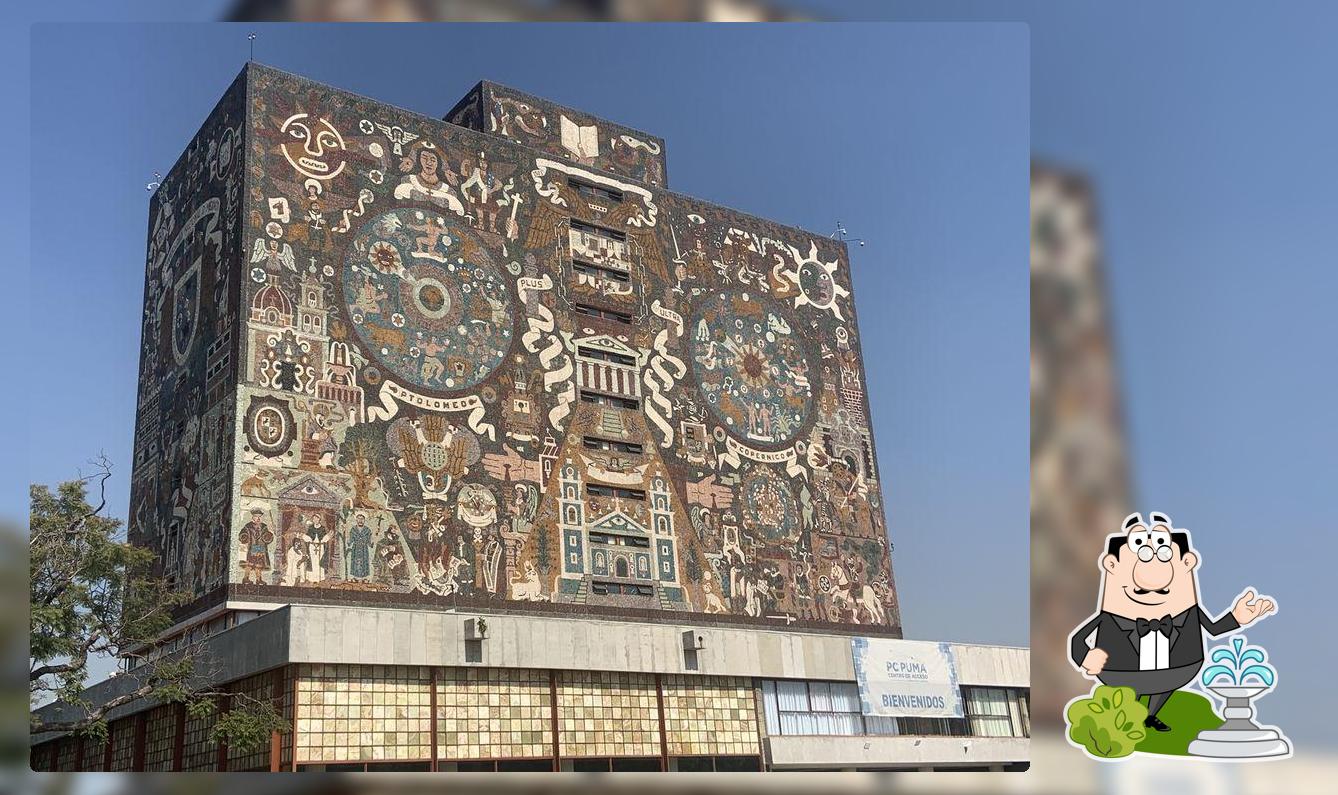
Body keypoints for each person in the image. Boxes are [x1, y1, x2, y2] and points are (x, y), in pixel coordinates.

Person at [1069, 512, 1277, 732]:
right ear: (1112, 565)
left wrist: (1237, 618)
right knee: (1131, 694)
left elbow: (1214, 629)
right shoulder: (1109, 618)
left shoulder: (1189, 612)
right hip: (1122, 671)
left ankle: (1149, 716)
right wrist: (1084, 656)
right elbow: (1078, 639)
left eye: (1164, 553)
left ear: (1187, 562)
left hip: (1177, 668)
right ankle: (1128, 716)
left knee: (1163, 686)